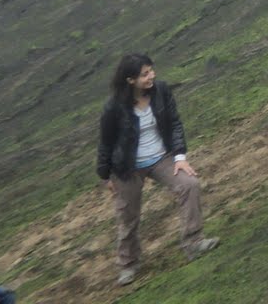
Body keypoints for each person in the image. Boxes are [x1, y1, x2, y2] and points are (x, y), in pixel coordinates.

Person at [95, 53, 221, 286]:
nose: (152, 76)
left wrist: (180, 157)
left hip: (161, 158)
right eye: (145, 74)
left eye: (152, 70)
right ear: (130, 80)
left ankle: (194, 243)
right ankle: (128, 264)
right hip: (127, 167)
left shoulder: (161, 91)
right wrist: (105, 176)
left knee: (189, 184)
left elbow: (174, 122)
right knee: (128, 215)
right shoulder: (113, 107)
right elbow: (106, 142)